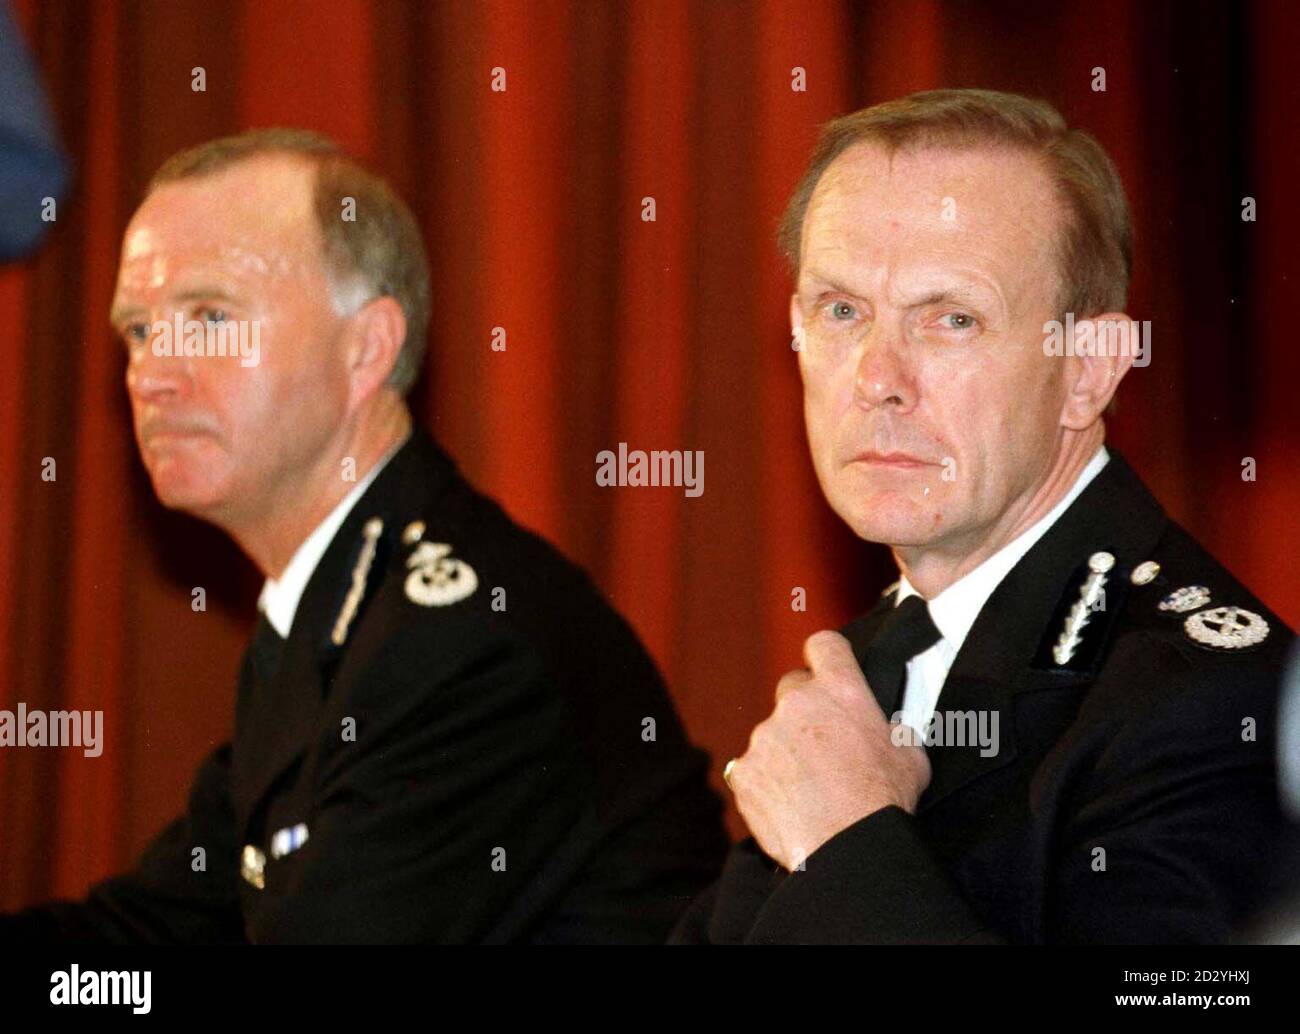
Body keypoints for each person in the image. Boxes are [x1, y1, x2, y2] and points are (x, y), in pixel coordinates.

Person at [1, 128, 726, 943]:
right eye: (137, 331)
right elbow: (153, 930)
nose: (153, 374)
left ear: (367, 348)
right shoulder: (329, 617)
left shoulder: (463, 645)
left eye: (209, 317)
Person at [672, 89, 1293, 945]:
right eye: (842, 311)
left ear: (1087, 370)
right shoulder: (875, 657)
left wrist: (849, 847)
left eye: (952, 320)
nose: (877, 376)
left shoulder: (1212, 706)